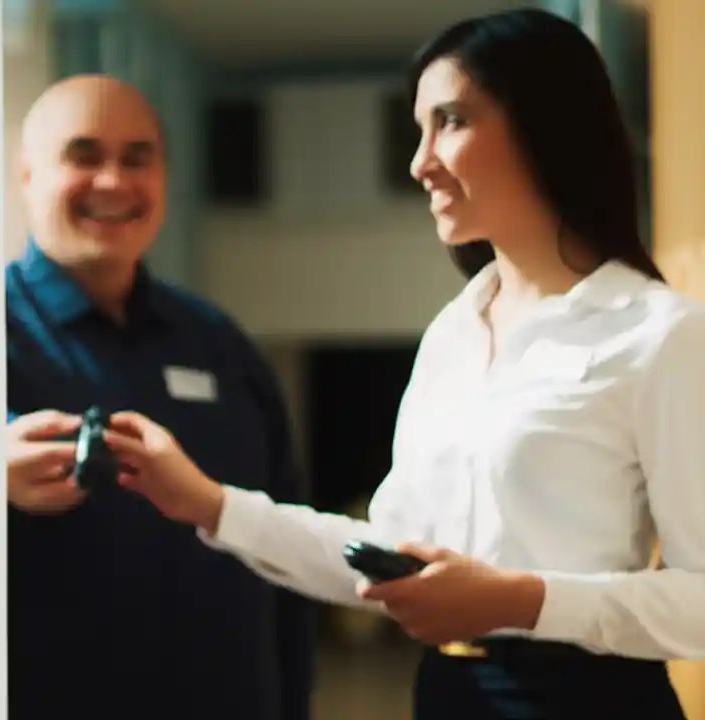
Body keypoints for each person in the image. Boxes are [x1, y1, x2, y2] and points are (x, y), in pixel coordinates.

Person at [102, 9, 704, 720]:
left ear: (545, 126)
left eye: (450, 120)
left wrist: (520, 599)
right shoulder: (451, 336)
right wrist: (208, 502)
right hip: (448, 696)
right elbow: (383, 553)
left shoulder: (661, 334)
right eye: (419, 129)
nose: (420, 162)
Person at [5, 74, 314, 720]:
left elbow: (285, 551)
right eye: (84, 156)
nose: (114, 181)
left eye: (136, 158)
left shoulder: (218, 343)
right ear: (27, 175)